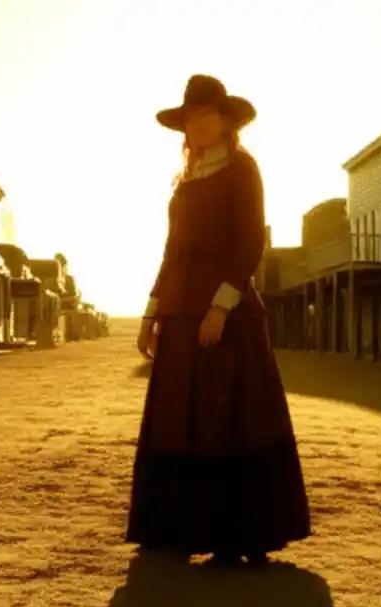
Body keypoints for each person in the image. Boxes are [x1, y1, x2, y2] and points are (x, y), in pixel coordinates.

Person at [127, 74, 312, 565]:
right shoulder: (184, 178)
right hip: (180, 312)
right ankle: (172, 529)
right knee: (176, 421)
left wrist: (219, 307)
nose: (197, 125)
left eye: (206, 115)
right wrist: (151, 311)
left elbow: (251, 242)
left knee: (227, 421)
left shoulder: (243, 169)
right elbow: (171, 250)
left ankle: (239, 537)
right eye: (190, 118)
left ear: (225, 120)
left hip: (226, 317)